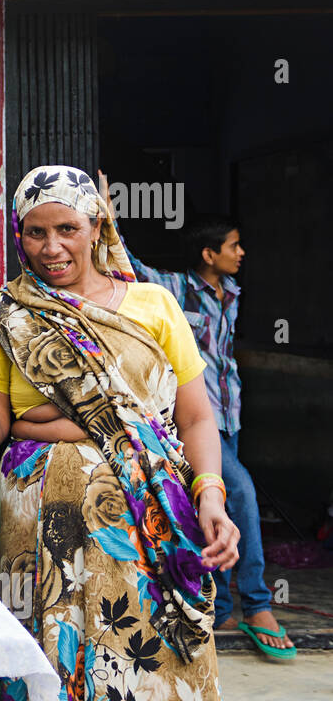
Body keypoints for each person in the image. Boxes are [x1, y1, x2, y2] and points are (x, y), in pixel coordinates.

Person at [0, 165, 239, 701]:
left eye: (66, 228)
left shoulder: (152, 304)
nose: (51, 247)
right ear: (19, 234)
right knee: (52, 662)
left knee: (145, 658)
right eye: (34, 232)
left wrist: (211, 495)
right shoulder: (6, 311)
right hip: (41, 534)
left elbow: (192, 418)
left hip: (146, 524)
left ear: (96, 227)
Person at [121, 211, 293, 658]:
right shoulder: (175, 289)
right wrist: (105, 214)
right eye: (233, 245)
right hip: (198, 420)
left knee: (212, 504)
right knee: (242, 494)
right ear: (208, 254)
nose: (241, 253)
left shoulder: (231, 294)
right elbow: (130, 265)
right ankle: (257, 604)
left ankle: (219, 610)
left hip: (228, 418)